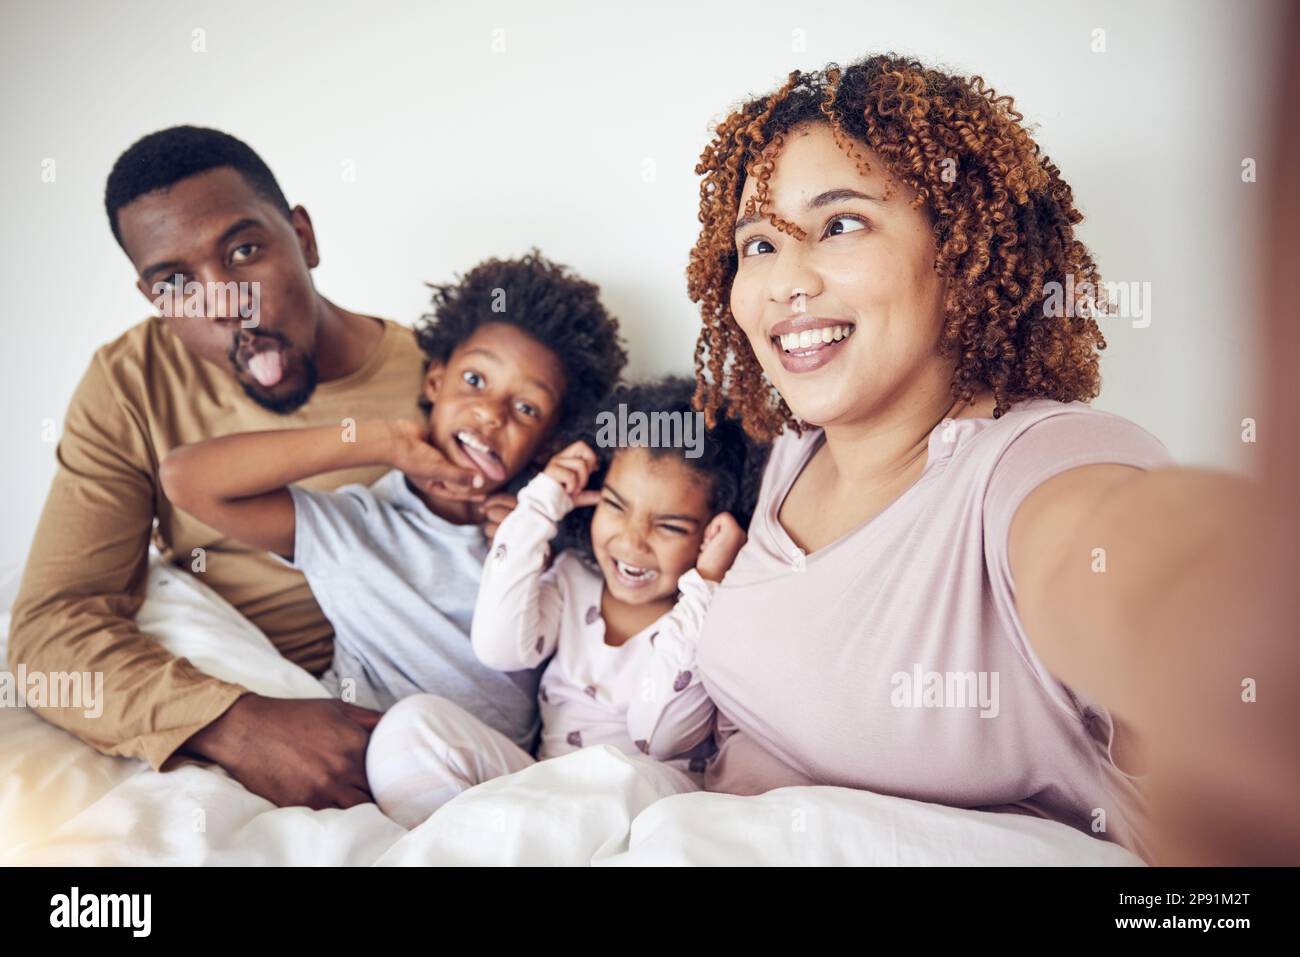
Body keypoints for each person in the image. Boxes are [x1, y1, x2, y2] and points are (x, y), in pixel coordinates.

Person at [681, 53, 1298, 863]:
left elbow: (1133, 564)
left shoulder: (1040, 461)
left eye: (840, 224)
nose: (782, 282)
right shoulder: (793, 454)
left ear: (961, 254)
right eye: (757, 243)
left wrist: (1226, 638)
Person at [8, 125, 445, 811]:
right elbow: (52, 625)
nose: (223, 302)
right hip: (235, 687)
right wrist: (234, 724)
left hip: (411, 715)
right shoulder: (131, 381)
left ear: (303, 236)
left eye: (244, 251)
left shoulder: (450, 378)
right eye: (176, 282)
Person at [160, 252, 628, 760]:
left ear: (544, 442)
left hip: (490, 776)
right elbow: (186, 480)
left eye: (525, 408)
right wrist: (380, 441)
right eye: (474, 381)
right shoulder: (352, 524)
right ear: (434, 382)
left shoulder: (548, 542)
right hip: (360, 762)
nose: (490, 415)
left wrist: (530, 536)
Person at [364, 378, 764, 829]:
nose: (630, 541)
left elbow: (659, 736)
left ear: (714, 533)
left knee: (633, 777)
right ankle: (475, 846)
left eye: (669, 526)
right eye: (614, 505)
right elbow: (499, 648)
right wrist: (539, 507)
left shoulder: (708, 615)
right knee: (409, 725)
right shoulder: (574, 577)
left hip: (643, 811)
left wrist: (710, 581)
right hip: (543, 797)